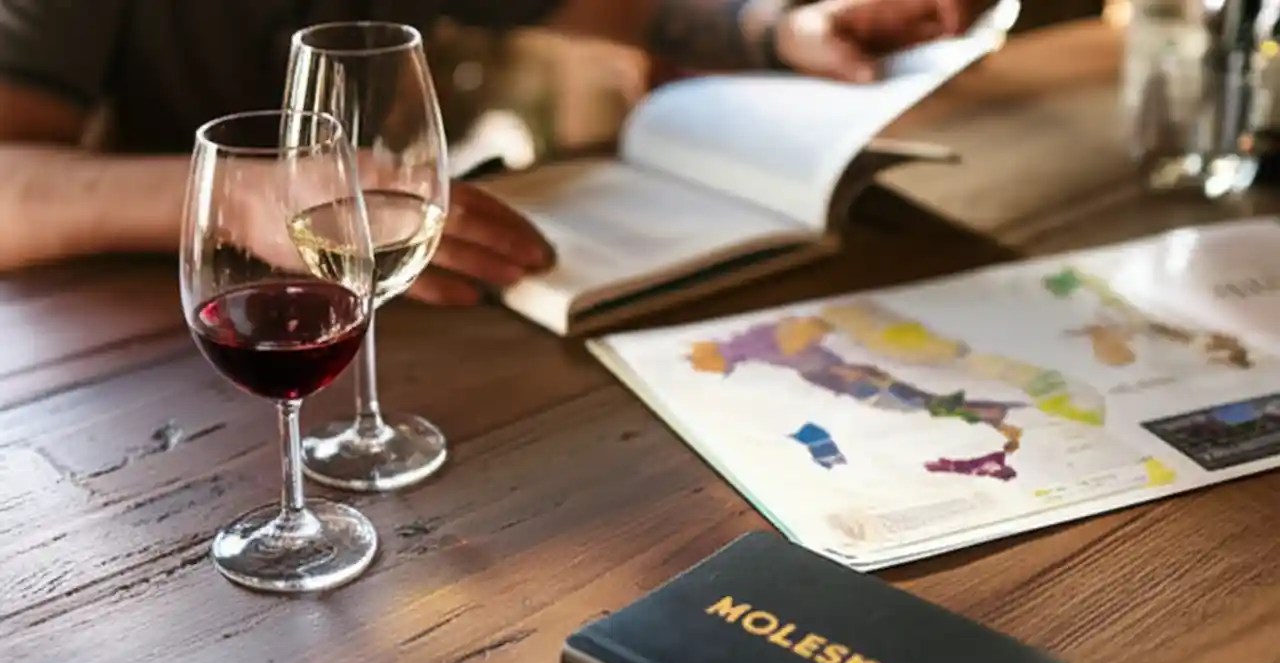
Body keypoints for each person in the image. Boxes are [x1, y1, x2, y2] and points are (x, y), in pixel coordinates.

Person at [0, 0, 993, 306]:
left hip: (391, 311)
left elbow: (609, 5)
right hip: (138, 334)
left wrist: (777, 27)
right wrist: (249, 199)